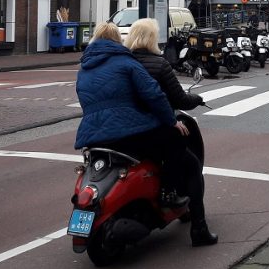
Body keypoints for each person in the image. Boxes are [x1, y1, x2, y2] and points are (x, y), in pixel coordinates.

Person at [75, 22, 218, 246]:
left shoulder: (84, 67)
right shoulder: (126, 62)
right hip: (128, 132)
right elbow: (154, 95)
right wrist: (172, 121)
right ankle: (196, 225)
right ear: (116, 41)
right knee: (188, 163)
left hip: (93, 136)